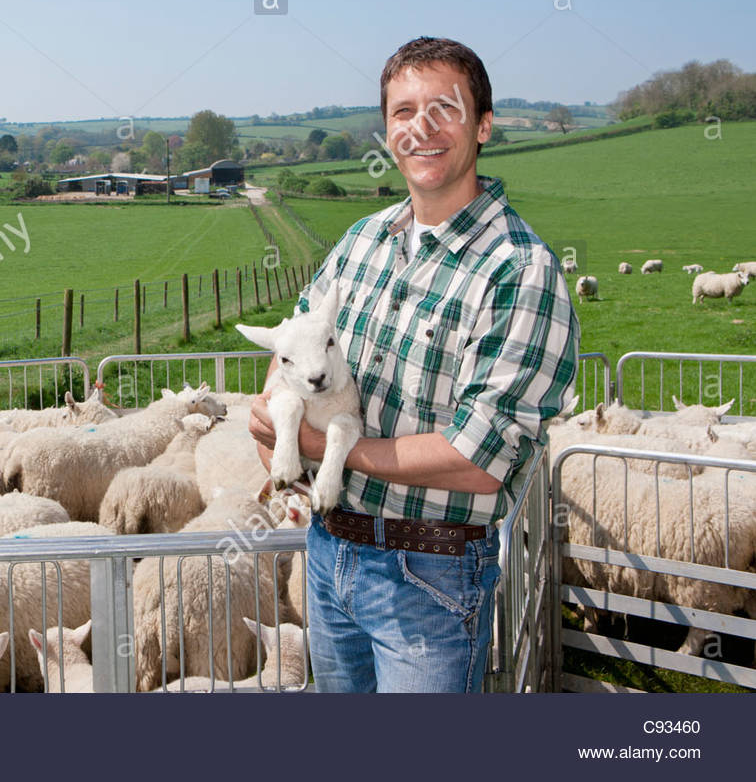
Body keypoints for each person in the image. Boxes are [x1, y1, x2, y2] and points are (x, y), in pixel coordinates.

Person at [248, 36, 579, 692]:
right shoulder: (361, 243)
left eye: (444, 108)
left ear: (483, 125)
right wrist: (282, 433)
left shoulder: (520, 270)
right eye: (403, 112)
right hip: (327, 554)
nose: (421, 128)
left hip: (428, 577)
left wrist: (325, 445)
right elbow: (290, 355)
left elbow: (480, 461)